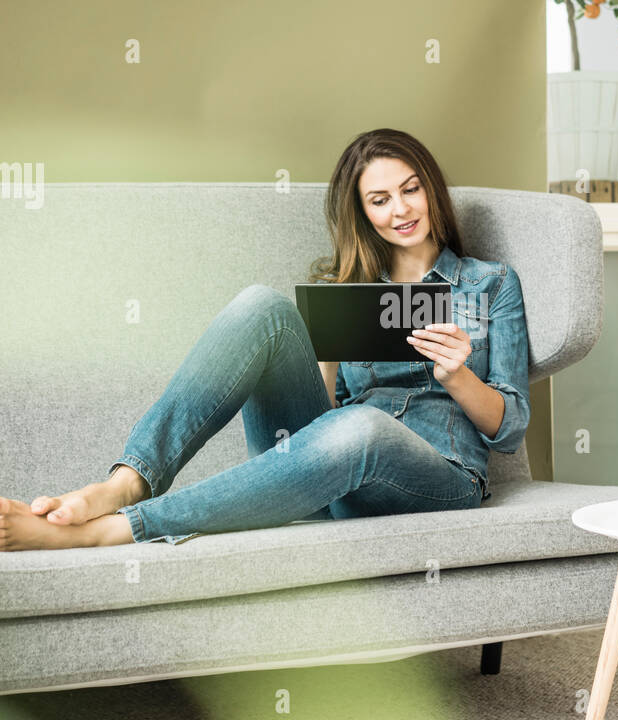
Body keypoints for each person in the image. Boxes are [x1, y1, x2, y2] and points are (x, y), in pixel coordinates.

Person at [0, 130, 530, 552]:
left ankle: (114, 529)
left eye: (410, 189)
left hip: (439, 478)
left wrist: (458, 376)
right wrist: (324, 357)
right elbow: (328, 430)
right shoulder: (347, 294)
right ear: (363, 213)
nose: (400, 209)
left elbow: (508, 429)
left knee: (366, 426)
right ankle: (130, 479)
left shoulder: (492, 283)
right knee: (263, 307)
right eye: (380, 199)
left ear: (431, 189)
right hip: (330, 477)